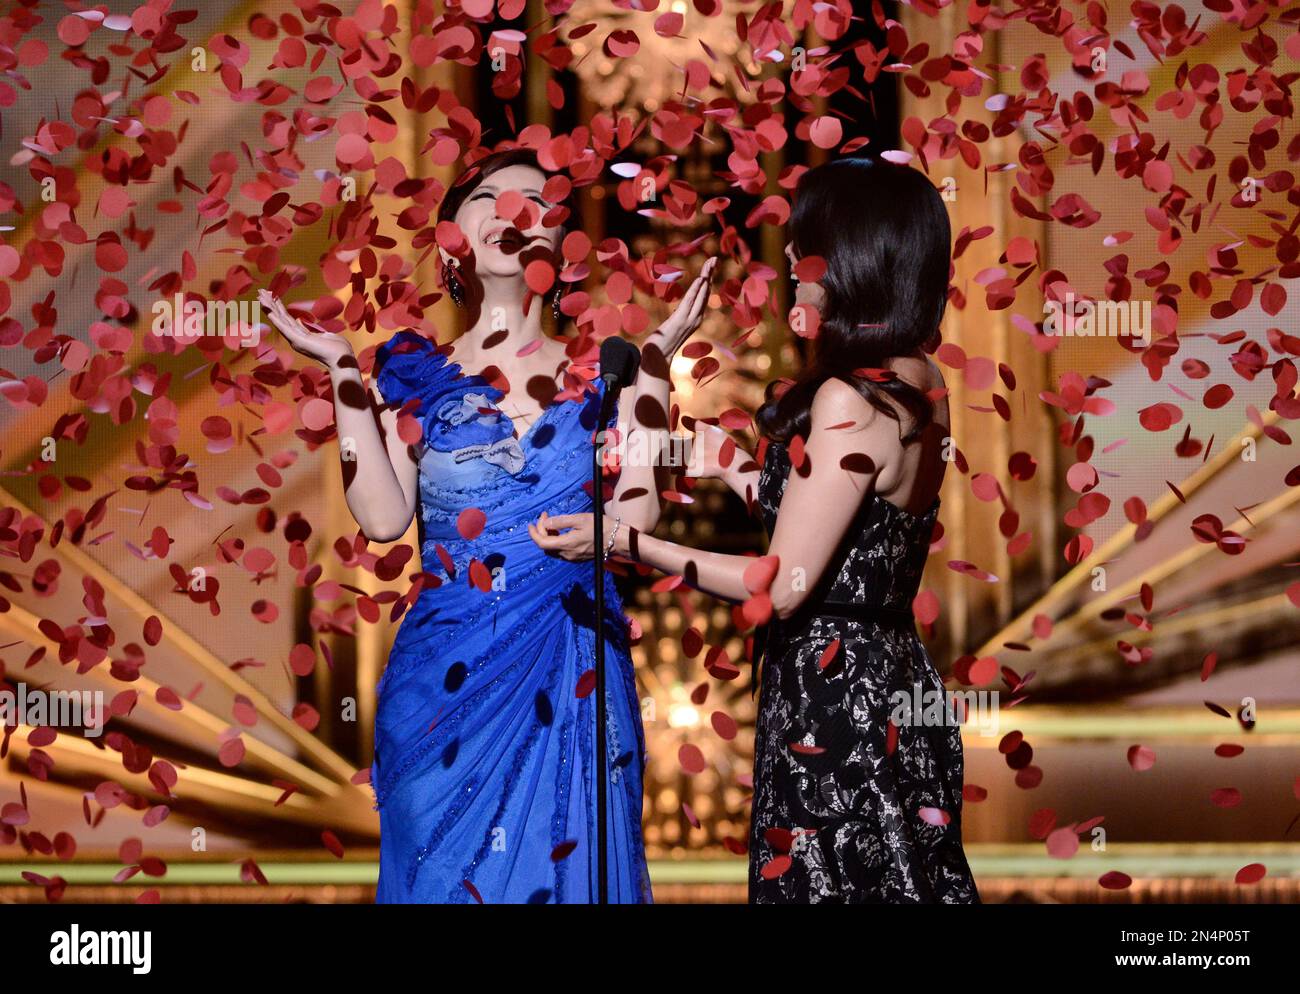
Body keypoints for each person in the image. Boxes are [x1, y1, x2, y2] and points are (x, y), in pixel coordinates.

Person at [261, 146, 716, 903]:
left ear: (561, 247)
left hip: (571, 674)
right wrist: (342, 368)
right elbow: (380, 517)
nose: (511, 212)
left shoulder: (610, 376)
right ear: (450, 240)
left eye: (535, 201)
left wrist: (653, 375)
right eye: (488, 198)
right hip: (443, 692)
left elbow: (639, 511)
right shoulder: (409, 374)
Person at [530, 155, 981, 904]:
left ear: (852, 262)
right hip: (890, 677)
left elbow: (783, 585)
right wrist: (729, 466)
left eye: (806, 253)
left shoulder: (847, 398)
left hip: (835, 705)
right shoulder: (919, 379)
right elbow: (852, 527)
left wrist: (623, 542)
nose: (795, 276)